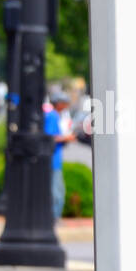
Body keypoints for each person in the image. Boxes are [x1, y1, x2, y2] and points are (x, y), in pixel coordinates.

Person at [46, 94, 76, 223]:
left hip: (55, 160)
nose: (66, 105)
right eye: (64, 102)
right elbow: (50, 137)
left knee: (58, 191)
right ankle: (54, 218)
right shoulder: (52, 116)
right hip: (53, 161)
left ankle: (54, 217)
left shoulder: (55, 116)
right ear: (58, 103)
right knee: (57, 193)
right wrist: (67, 138)